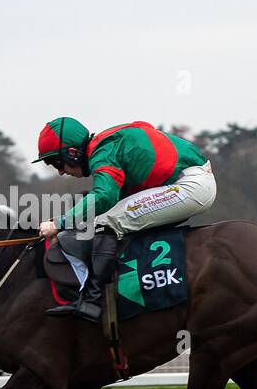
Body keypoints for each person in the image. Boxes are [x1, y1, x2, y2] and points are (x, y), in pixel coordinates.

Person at [33, 117, 216, 323]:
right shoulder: (105, 144)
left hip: (189, 185)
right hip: (189, 180)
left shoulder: (102, 153)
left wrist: (59, 224)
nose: (59, 171)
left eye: (56, 162)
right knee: (107, 217)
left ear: (73, 153)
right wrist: (68, 219)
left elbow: (104, 196)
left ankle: (92, 302)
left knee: (107, 222)